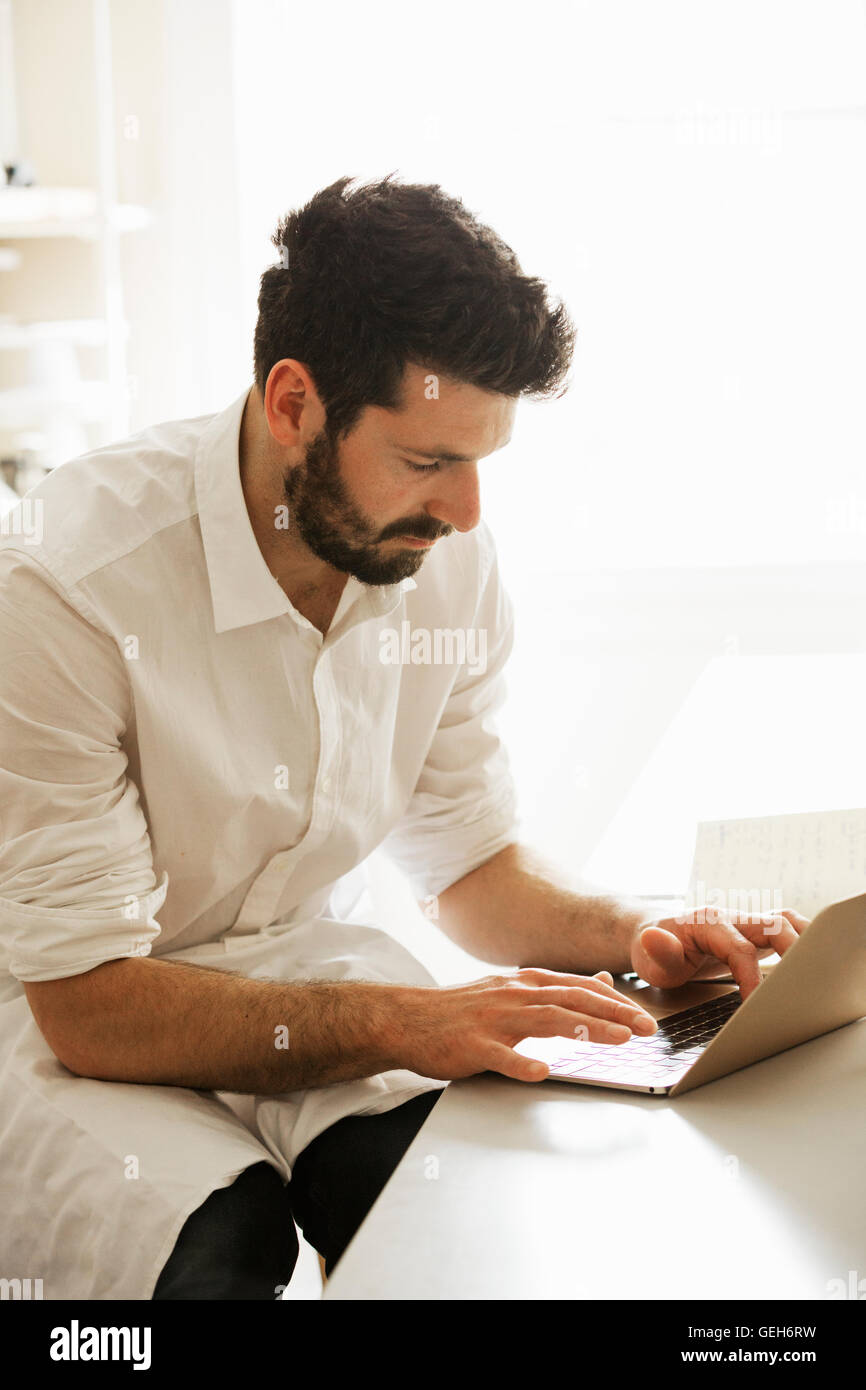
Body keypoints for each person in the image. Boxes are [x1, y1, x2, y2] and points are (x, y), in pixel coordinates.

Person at [0, 175, 807, 1300]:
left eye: (480, 462)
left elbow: (470, 869)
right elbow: (88, 1001)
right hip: (68, 1016)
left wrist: (642, 924)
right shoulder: (67, 586)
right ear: (294, 405)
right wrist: (402, 1018)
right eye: (428, 463)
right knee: (216, 1250)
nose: (466, 512)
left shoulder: (436, 556)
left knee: (450, 1211)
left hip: (298, 971)